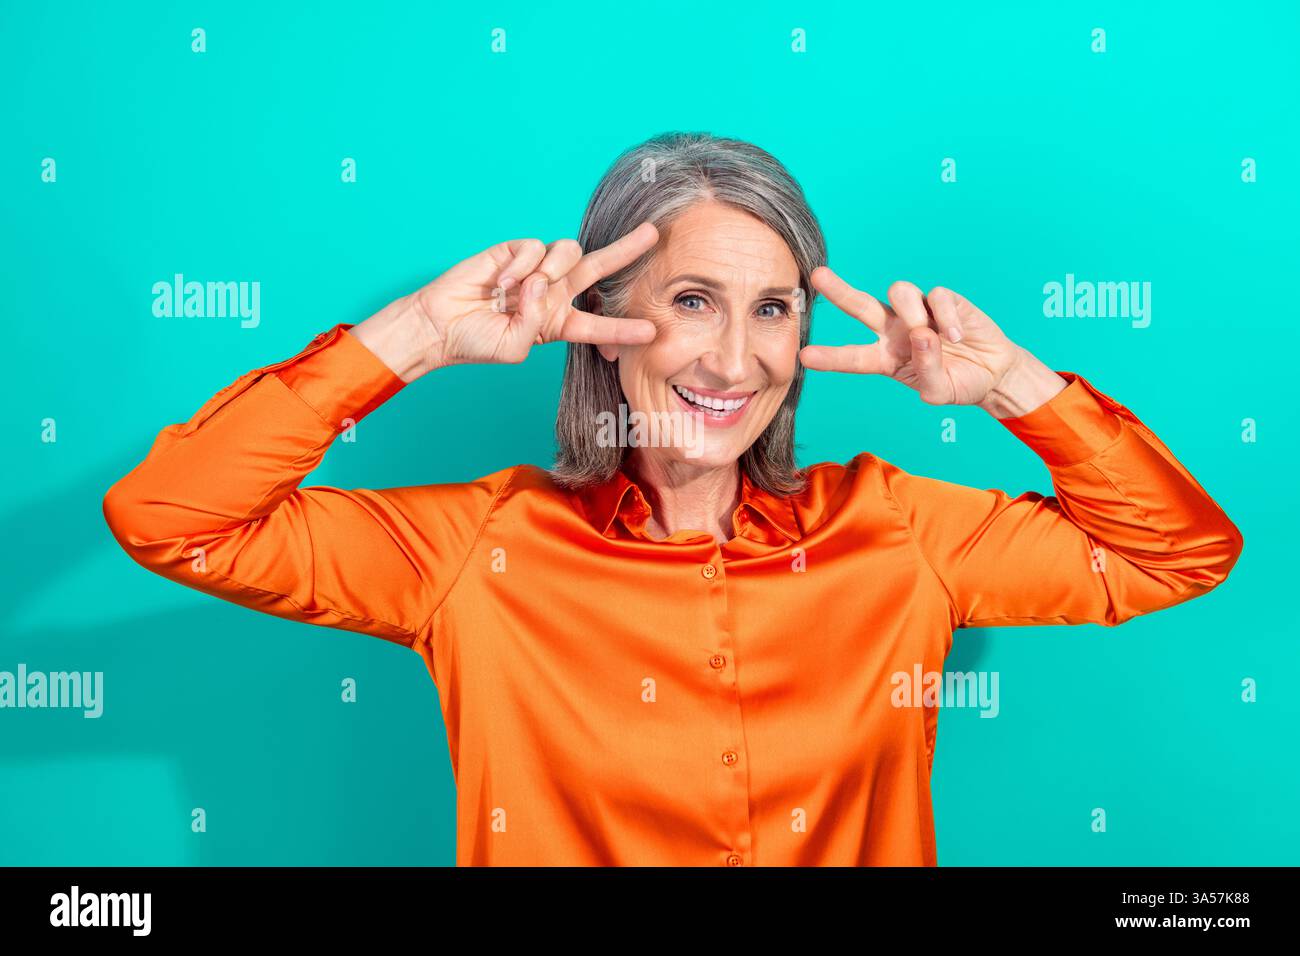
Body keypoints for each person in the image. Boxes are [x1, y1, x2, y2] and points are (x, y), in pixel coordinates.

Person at [103, 132, 1243, 866]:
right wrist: (409, 340)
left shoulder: (897, 533)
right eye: (693, 300)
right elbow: (171, 517)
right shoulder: (474, 549)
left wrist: (1016, 390)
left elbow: (1175, 553)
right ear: (601, 322)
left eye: (773, 309)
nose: (733, 359)